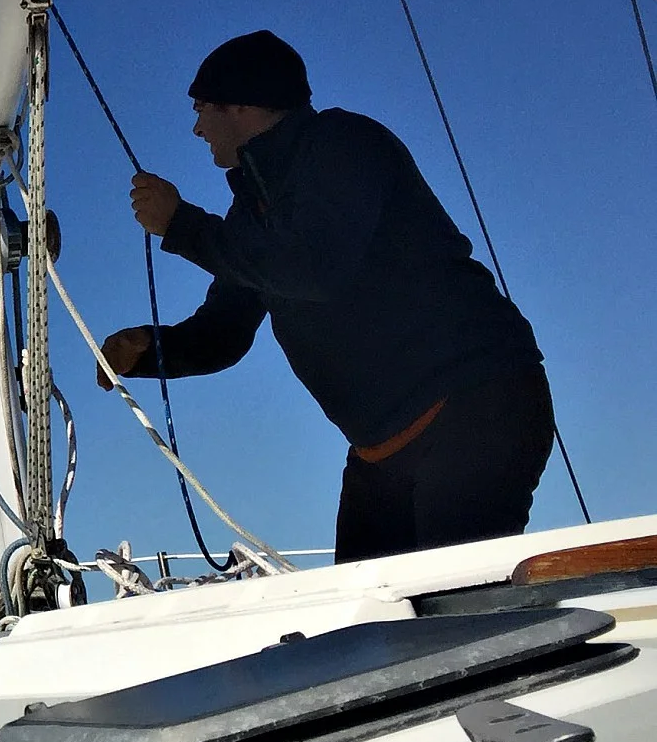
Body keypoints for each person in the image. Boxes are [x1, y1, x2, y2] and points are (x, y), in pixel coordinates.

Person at [99, 29, 555, 563]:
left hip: (473, 403)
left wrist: (182, 226)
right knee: (373, 634)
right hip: (381, 451)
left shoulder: (344, 145)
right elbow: (224, 332)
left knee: (455, 607)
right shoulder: (251, 216)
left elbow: (314, 266)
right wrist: (149, 352)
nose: (196, 126)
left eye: (203, 107)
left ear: (243, 105)